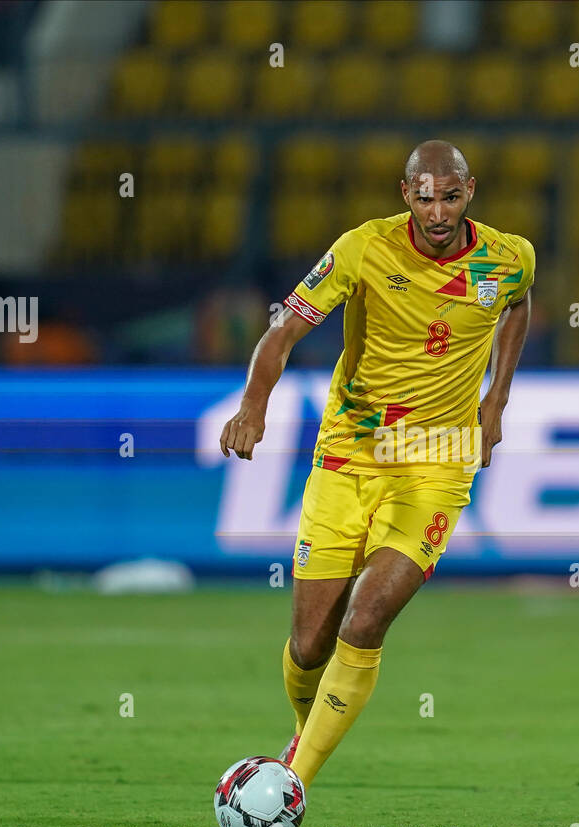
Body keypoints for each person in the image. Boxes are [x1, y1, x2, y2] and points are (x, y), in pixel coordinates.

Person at [218, 140, 534, 789]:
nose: (438, 212)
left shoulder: (509, 258)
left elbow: (519, 302)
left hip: (437, 464)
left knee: (366, 618)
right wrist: (253, 405)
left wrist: (496, 399)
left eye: (451, 197)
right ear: (405, 193)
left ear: (470, 192)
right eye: (426, 198)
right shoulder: (363, 249)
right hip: (350, 453)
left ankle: (292, 783)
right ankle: (303, 737)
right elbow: (283, 331)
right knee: (310, 645)